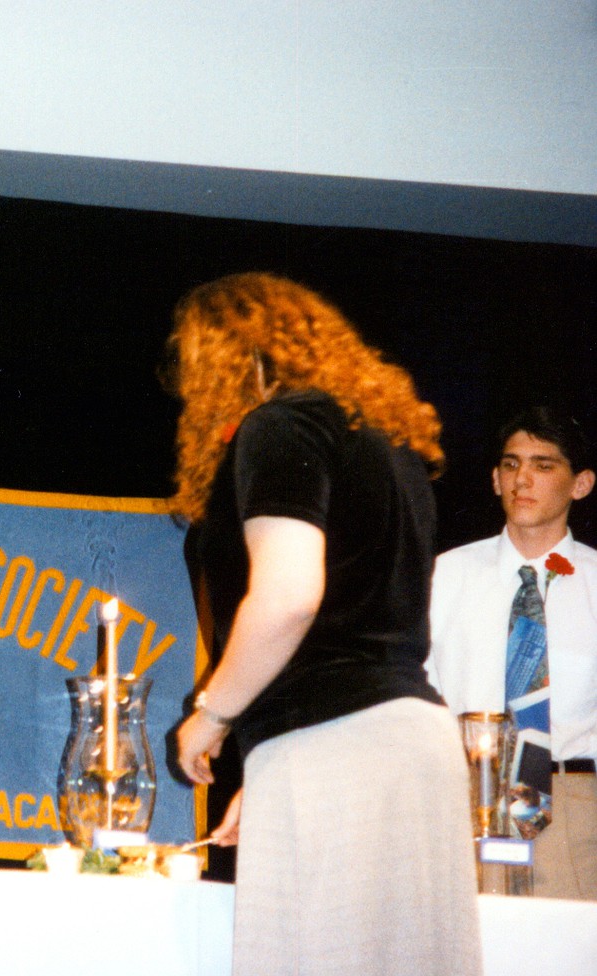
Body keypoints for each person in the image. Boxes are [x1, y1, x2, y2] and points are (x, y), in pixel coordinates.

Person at [168, 273, 480, 974]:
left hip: (343, 749)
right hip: (405, 746)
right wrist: (278, 761)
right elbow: (356, 621)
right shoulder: (381, 440)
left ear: (233, 356)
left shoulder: (277, 423)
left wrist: (213, 714)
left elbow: (288, 598)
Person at [427, 407, 596, 899]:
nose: (523, 478)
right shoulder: (444, 575)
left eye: (543, 466)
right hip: (458, 801)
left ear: (580, 484)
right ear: (495, 479)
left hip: (573, 808)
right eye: (510, 464)